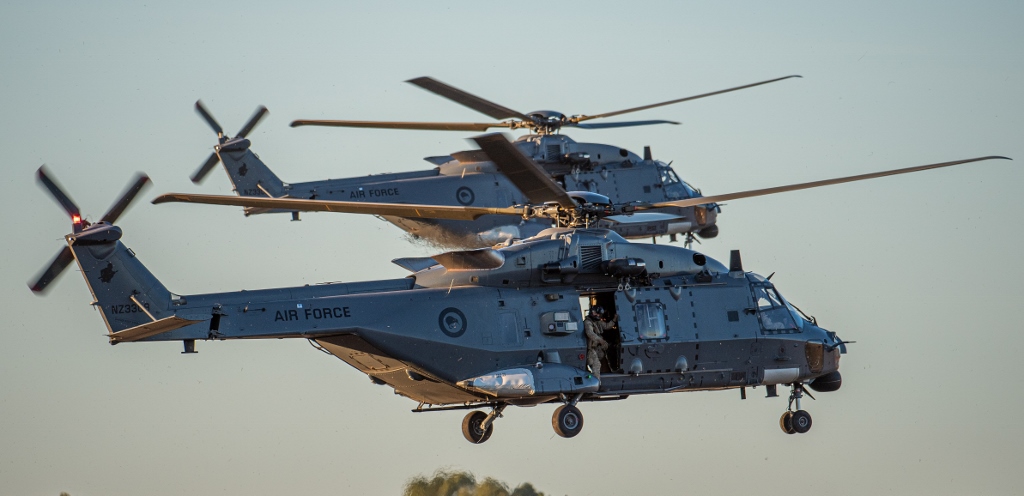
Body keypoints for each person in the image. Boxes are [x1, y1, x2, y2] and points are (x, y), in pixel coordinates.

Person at [584, 306, 614, 378]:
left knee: (604, 359)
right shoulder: (588, 322)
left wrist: (614, 320)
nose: (597, 315)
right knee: (596, 365)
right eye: (596, 313)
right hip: (591, 349)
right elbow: (590, 333)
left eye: (599, 314)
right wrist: (601, 340)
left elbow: (606, 326)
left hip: (598, 348)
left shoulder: (597, 322)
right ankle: (597, 383)